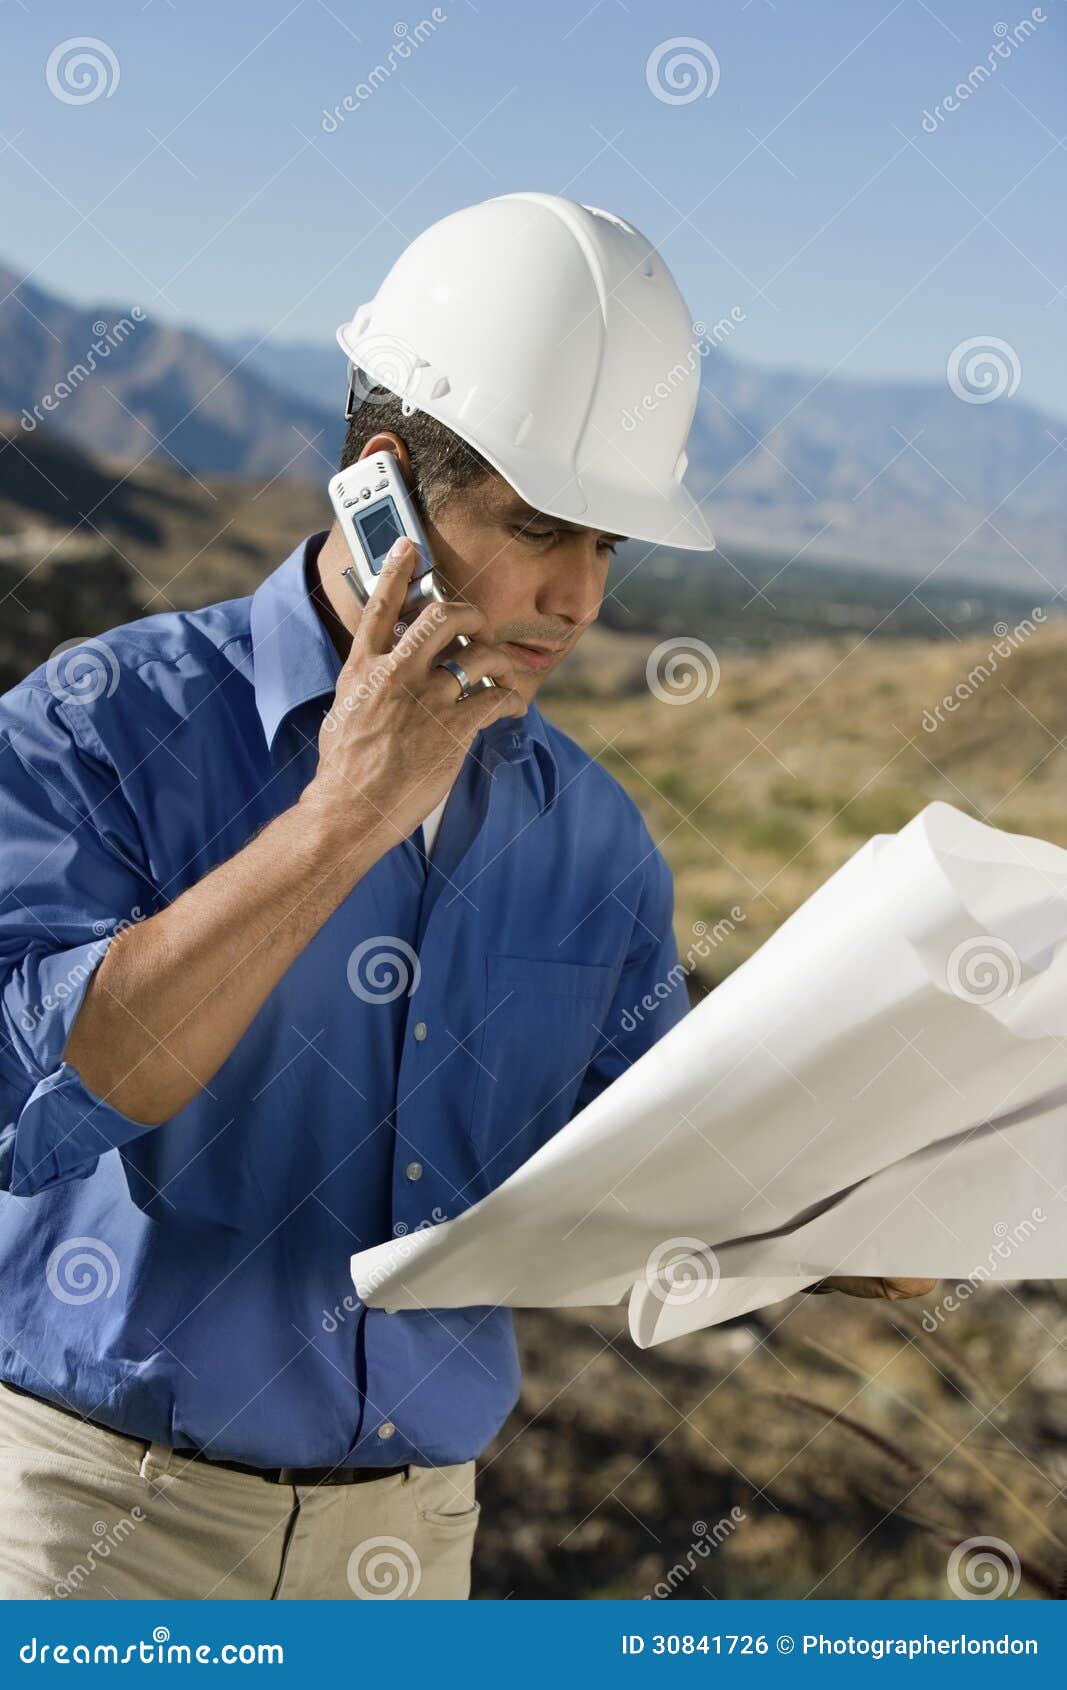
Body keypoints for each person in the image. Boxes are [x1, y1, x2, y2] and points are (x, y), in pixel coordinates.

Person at [0, 193, 932, 1601]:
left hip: (413, 1546)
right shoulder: (98, 723)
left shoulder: (597, 843)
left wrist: (832, 1219)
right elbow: (33, 1101)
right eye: (540, 525)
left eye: (609, 546)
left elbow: (641, 1170)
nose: (575, 600)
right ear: (384, 484)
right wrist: (338, 822)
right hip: (96, 1535)